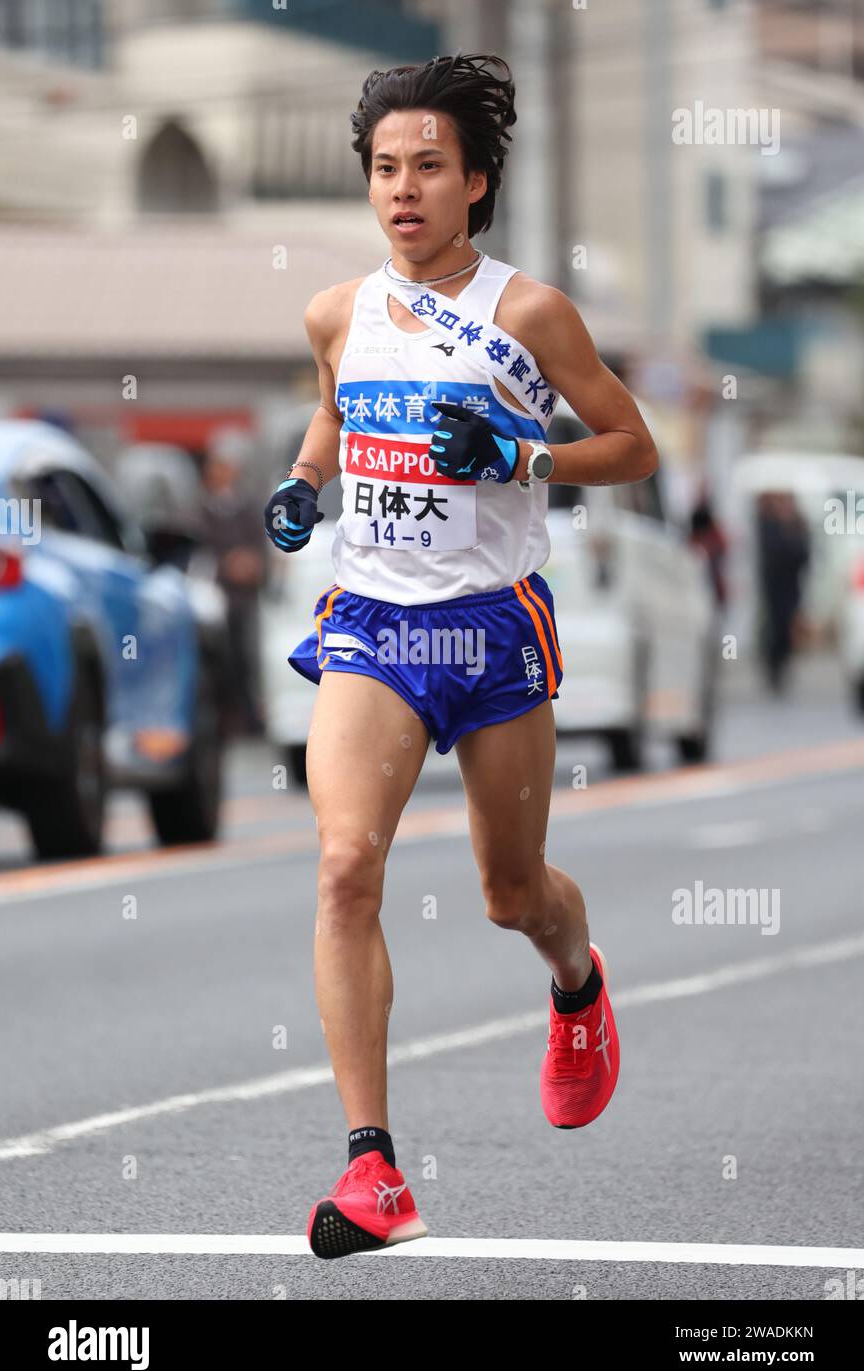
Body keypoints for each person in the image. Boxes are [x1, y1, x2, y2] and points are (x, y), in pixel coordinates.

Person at [263, 53, 658, 1260]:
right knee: (341, 868)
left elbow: (630, 445)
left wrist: (522, 455)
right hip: (374, 624)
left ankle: (575, 979)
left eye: (428, 166)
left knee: (509, 892)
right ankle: (373, 1168)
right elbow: (334, 406)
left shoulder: (526, 314)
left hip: (488, 627)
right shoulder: (337, 311)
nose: (402, 188)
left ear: (474, 182)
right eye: (384, 168)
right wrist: (302, 480)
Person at [202, 427, 268, 737]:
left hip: (246, 596)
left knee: (249, 655)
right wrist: (225, 565)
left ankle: (250, 713)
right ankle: (225, 715)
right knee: (221, 657)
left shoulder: (248, 507)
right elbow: (199, 551)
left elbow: (262, 547)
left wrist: (253, 563)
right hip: (216, 596)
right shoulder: (201, 510)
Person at [756, 490, 810, 693]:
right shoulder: (768, 525)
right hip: (772, 587)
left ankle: (783, 667)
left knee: (787, 628)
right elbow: (771, 553)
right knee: (774, 628)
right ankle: (773, 667)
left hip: (791, 587)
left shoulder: (797, 525)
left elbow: (803, 554)